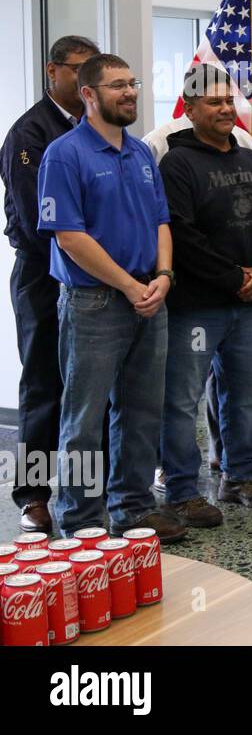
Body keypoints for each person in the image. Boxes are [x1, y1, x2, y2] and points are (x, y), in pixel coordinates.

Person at [36, 54, 185, 541]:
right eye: (118, 86)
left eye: (133, 84)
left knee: (142, 411)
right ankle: (79, 521)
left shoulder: (141, 153)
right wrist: (129, 284)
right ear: (88, 95)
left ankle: (133, 508)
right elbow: (69, 238)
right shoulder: (64, 154)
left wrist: (162, 275)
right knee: (84, 417)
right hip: (94, 304)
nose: (130, 93)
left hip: (149, 296)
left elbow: (162, 221)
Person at [158, 64, 252, 527]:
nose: (226, 109)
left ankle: (239, 476)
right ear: (189, 109)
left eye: (229, 101)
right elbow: (181, 236)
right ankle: (182, 491)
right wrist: (234, 277)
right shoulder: (177, 163)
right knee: (183, 398)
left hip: (248, 303)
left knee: (243, 394)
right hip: (196, 305)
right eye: (214, 102)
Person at [2, 35, 100, 533]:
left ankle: (91, 489)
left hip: (94, 276)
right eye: (78, 70)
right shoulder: (31, 134)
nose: (86, 82)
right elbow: (37, 218)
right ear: (53, 72)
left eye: (94, 71)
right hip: (45, 275)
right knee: (44, 384)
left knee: (92, 386)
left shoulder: (98, 130)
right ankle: (34, 495)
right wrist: (81, 264)